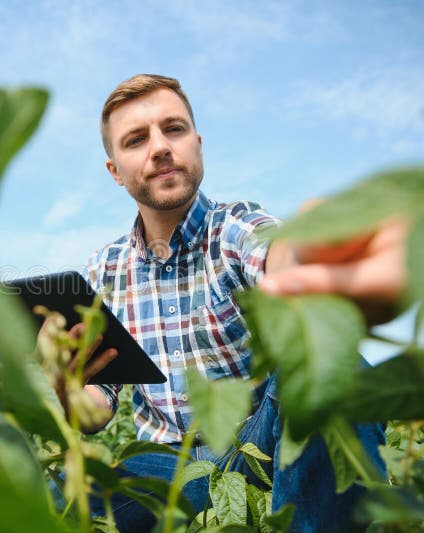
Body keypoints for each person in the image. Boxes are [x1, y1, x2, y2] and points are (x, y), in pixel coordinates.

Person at [57, 74, 398, 532]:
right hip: (166, 469)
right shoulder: (105, 270)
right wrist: (64, 387)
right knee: (59, 493)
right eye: (136, 139)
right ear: (115, 170)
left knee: (338, 371)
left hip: (258, 447)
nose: (160, 147)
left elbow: (277, 255)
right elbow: (98, 405)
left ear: (197, 144)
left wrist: (315, 252)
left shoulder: (234, 226)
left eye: (173, 129)